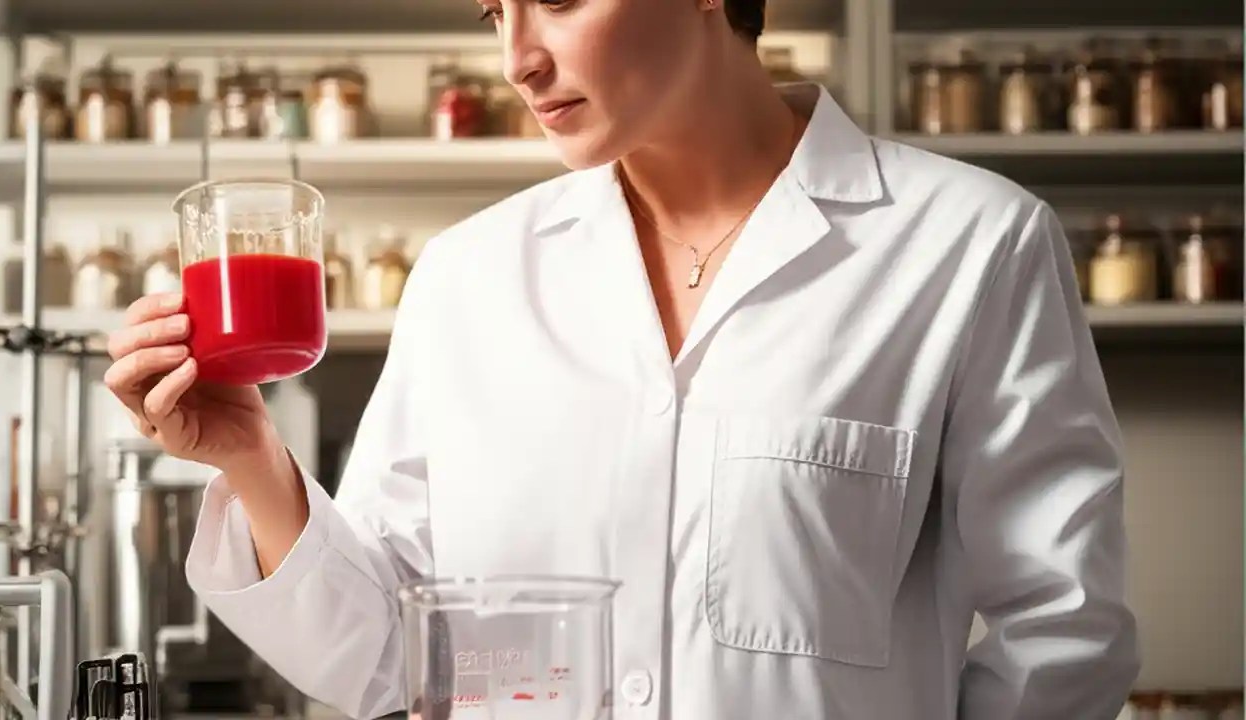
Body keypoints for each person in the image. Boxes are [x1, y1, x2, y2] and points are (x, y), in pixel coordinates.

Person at [103, 0, 1141, 717]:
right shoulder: (470, 279)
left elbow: (1059, 629)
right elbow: (385, 658)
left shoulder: (964, 246)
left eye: (554, 0)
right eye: (492, 14)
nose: (515, 57)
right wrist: (250, 457)